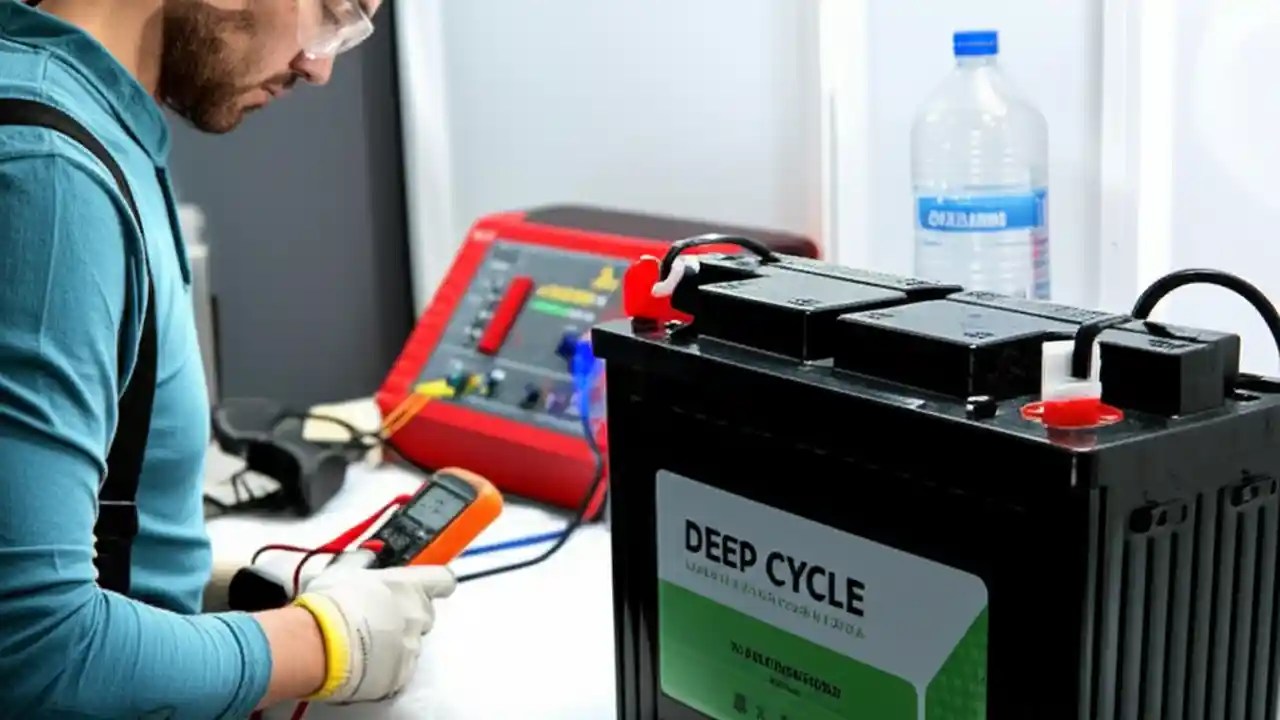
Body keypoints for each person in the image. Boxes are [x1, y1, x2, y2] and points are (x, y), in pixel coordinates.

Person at [0, 1, 457, 718]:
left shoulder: (87, 122)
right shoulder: (51, 174)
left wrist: (193, 584)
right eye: (334, 11)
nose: (321, 65)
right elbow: (35, 653)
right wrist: (322, 645)